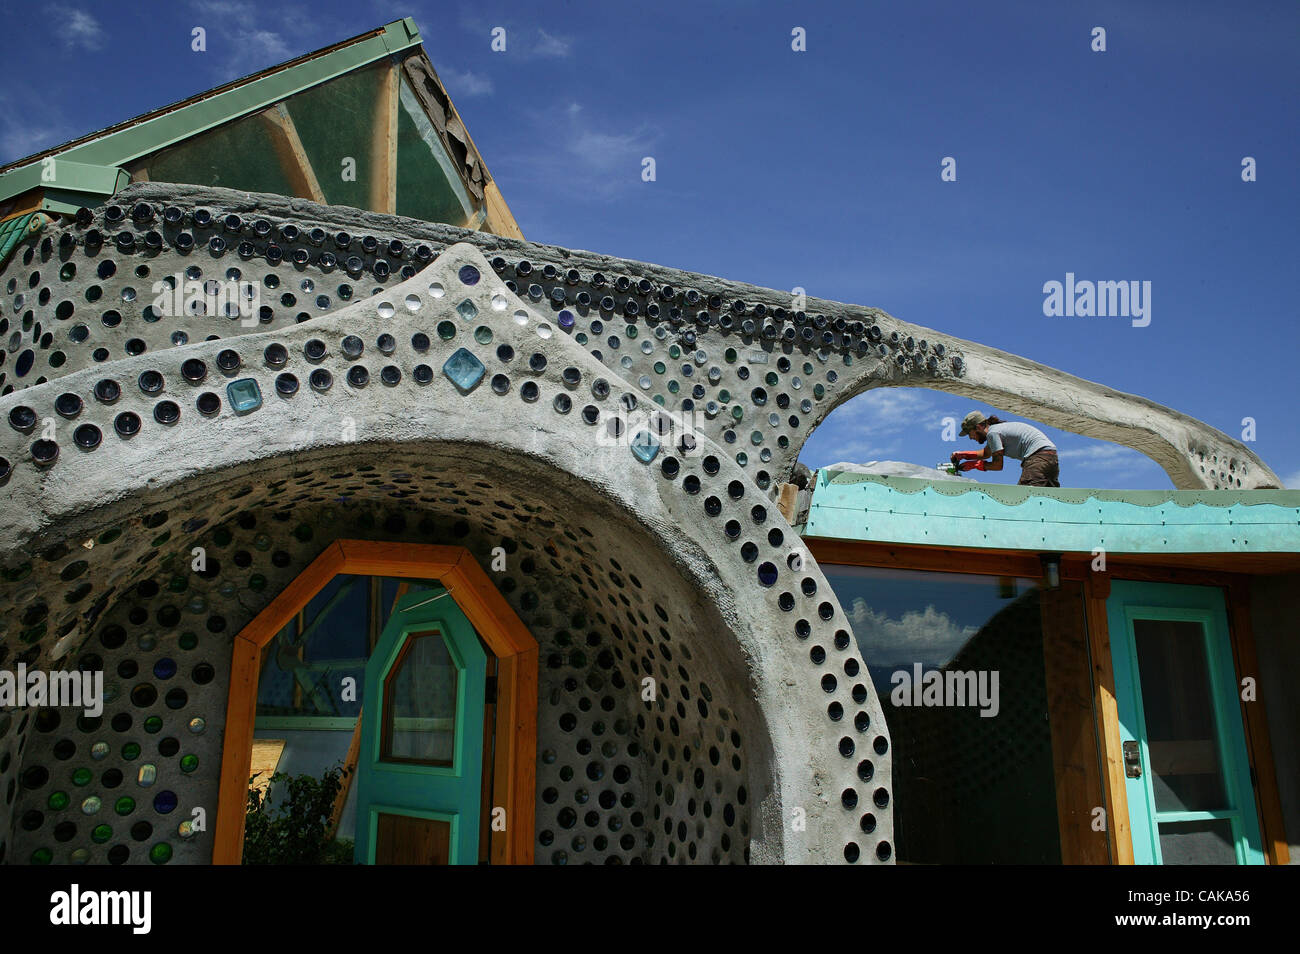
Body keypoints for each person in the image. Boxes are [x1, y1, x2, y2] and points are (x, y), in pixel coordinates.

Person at [950, 410, 1060, 487]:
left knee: (1025, 498)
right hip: (1050, 457)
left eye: (970, 433)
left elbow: (998, 465)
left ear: (978, 427)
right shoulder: (995, 431)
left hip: (1037, 458)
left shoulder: (993, 434)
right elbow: (986, 453)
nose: (970, 437)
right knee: (1049, 499)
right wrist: (963, 455)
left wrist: (975, 465)